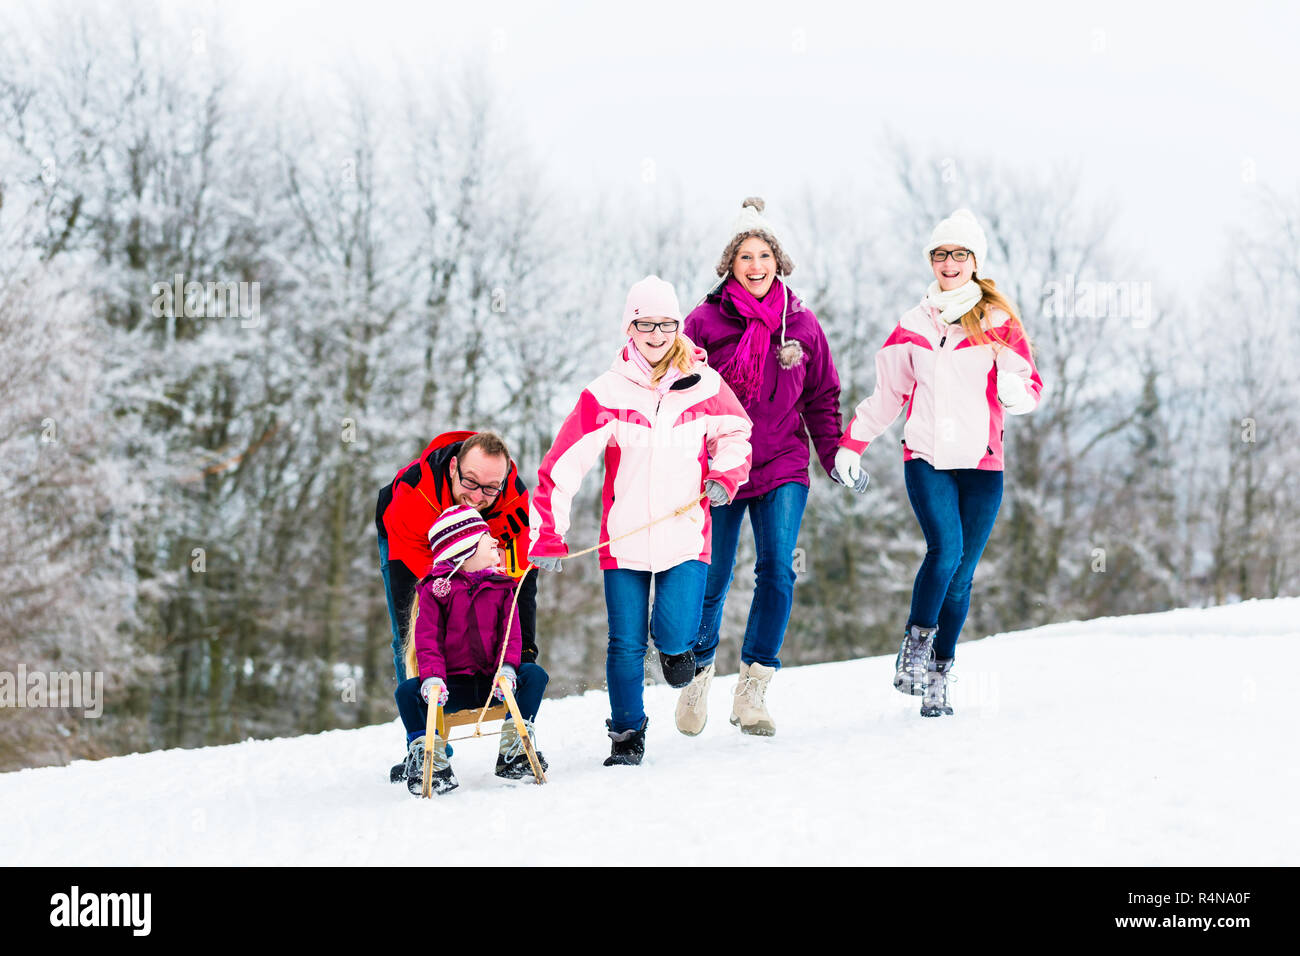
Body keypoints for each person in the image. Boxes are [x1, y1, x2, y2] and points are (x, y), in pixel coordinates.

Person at [530, 275, 752, 766]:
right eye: (645, 324)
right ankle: (627, 735)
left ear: (678, 325)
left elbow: (737, 432)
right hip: (623, 543)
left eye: (666, 324)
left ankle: (677, 654)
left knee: (674, 637)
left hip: (686, 538)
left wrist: (725, 473)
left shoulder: (704, 385)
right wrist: (548, 533)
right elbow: (561, 464)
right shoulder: (606, 393)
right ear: (630, 326)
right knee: (625, 641)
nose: (656, 334)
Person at [834, 209, 1043, 716]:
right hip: (926, 457)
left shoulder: (998, 323)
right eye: (941, 254)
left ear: (975, 261)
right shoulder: (911, 327)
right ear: (932, 261)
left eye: (959, 254)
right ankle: (914, 648)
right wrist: (851, 445)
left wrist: (1016, 393)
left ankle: (938, 674)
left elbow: (1029, 386)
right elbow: (887, 397)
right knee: (945, 550)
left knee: (964, 574)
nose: (949, 262)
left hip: (982, 463)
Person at [677, 197, 860, 739]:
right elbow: (683, 397)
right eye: (744, 256)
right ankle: (699, 673)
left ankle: (754, 684)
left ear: (778, 260)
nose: (755, 265)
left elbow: (823, 396)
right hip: (722, 467)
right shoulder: (704, 321)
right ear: (729, 264)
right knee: (713, 576)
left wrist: (835, 457)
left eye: (764, 255)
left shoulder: (801, 324)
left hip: (782, 461)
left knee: (778, 570)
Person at [376, 430, 536, 781]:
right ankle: (426, 744)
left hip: (480, 544)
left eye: (490, 488)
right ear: (453, 468)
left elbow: (521, 577)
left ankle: (515, 740)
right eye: (470, 482)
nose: (478, 495)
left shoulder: (512, 499)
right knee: (412, 634)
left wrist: (520, 656)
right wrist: (451, 592)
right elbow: (431, 590)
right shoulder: (413, 495)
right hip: (410, 541)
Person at [394, 505, 550, 795]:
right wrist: (432, 679)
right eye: (485, 536)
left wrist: (508, 669)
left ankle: (514, 751)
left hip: (495, 684)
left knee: (536, 675)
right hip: (451, 687)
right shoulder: (434, 591)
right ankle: (429, 759)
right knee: (406, 692)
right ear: (464, 549)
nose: (494, 541)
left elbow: (511, 636)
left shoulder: (503, 587)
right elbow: (427, 640)